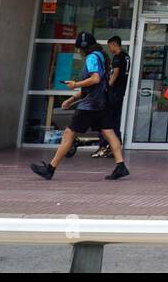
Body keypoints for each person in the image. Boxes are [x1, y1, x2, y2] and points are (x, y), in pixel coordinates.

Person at [30, 31, 129, 180]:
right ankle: (120, 166)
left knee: (69, 134)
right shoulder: (103, 57)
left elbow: (95, 80)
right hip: (102, 103)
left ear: (84, 47)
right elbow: (95, 86)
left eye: (78, 48)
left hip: (90, 106)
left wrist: (75, 84)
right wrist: (71, 100)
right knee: (109, 133)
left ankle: (50, 169)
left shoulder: (91, 58)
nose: (78, 51)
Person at [93, 36, 129, 159]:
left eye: (110, 46)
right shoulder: (126, 56)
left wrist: (106, 87)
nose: (110, 49)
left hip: (114, 93)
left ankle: (107, 146)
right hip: (120, 93)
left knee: (108, 120)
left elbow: (115, 73)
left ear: (114, 44)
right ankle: (115, 146)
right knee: (115, 120)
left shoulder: (118, 57)